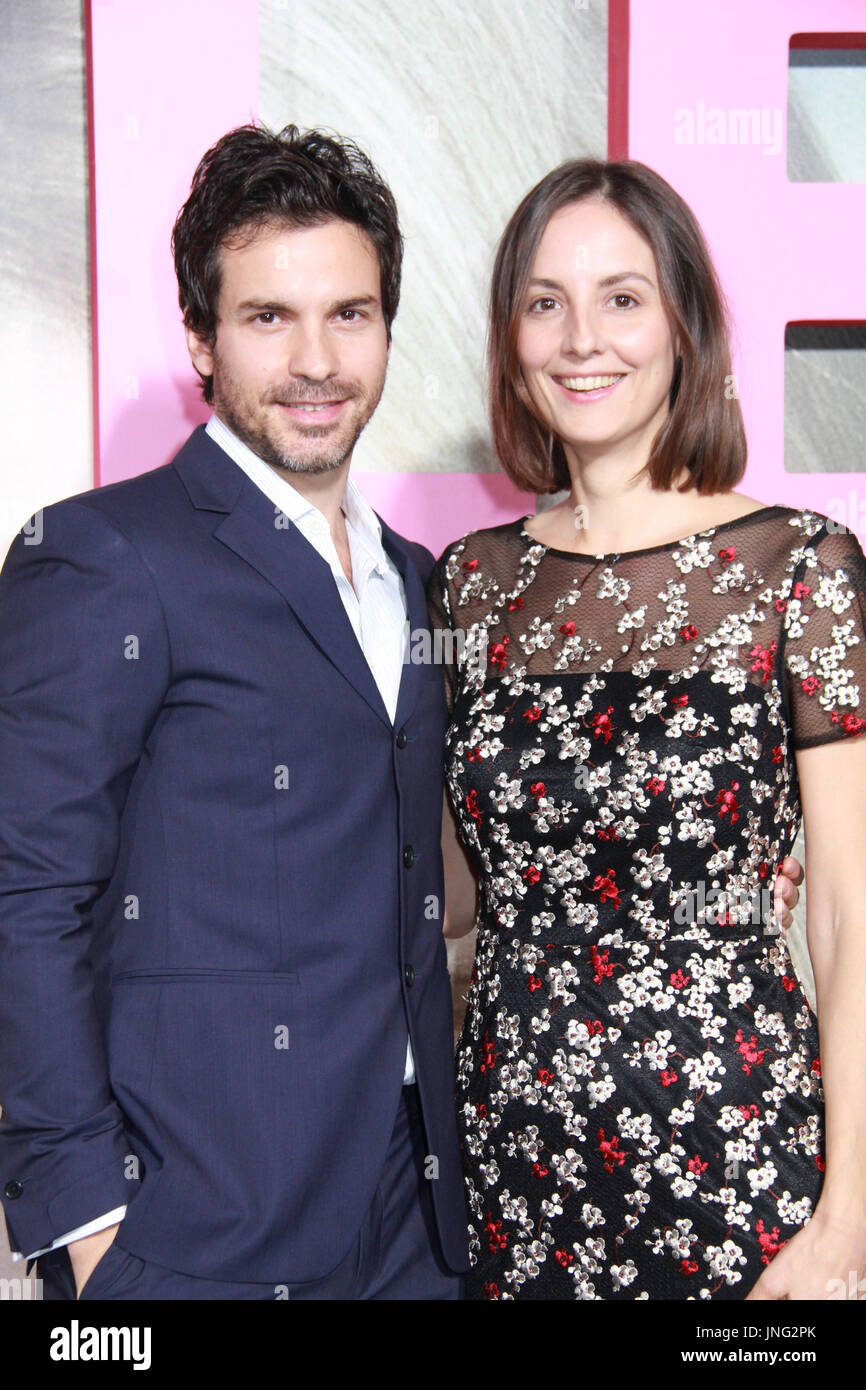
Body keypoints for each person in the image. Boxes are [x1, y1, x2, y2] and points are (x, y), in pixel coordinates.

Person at [0, 122, 471, 1300]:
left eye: (348, 314)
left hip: (411, 1224)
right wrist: (86, 1216)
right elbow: (23, 888)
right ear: (202, 341)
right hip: (185, 1236)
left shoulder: (421, 578)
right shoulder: (105, 555)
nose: (315, 359)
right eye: (268, 317)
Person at [428, 157, 866, 1300]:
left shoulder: (798, 568)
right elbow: (447, 901)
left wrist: (844, 1225)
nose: (582, 338)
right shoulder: (468, 585)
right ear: (510, 340)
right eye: (544, 301)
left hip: (742, 1168)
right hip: (508, 1171)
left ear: (683, 323)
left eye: (621, 297)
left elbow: (847, 914)